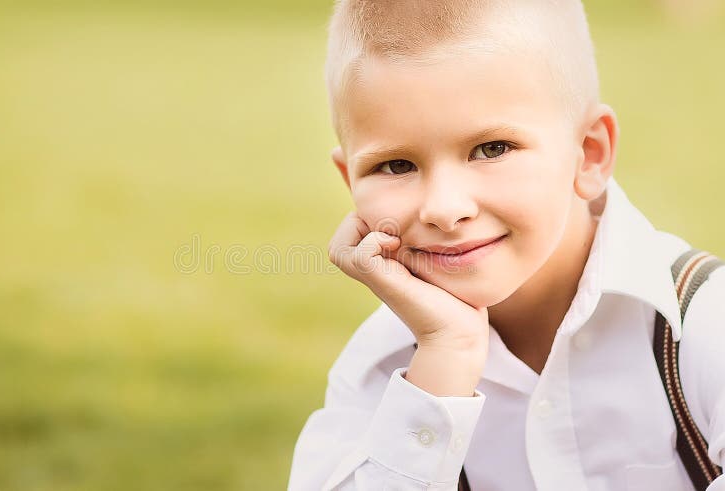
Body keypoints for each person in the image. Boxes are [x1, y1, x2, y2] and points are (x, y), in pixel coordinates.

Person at [288, 1, 725, 490]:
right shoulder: (381, 366)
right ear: (350, 181)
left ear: (588, 155)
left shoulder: (701, 322)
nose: (444, 208)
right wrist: (445, 358)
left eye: (491, 149)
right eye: (395, 166)